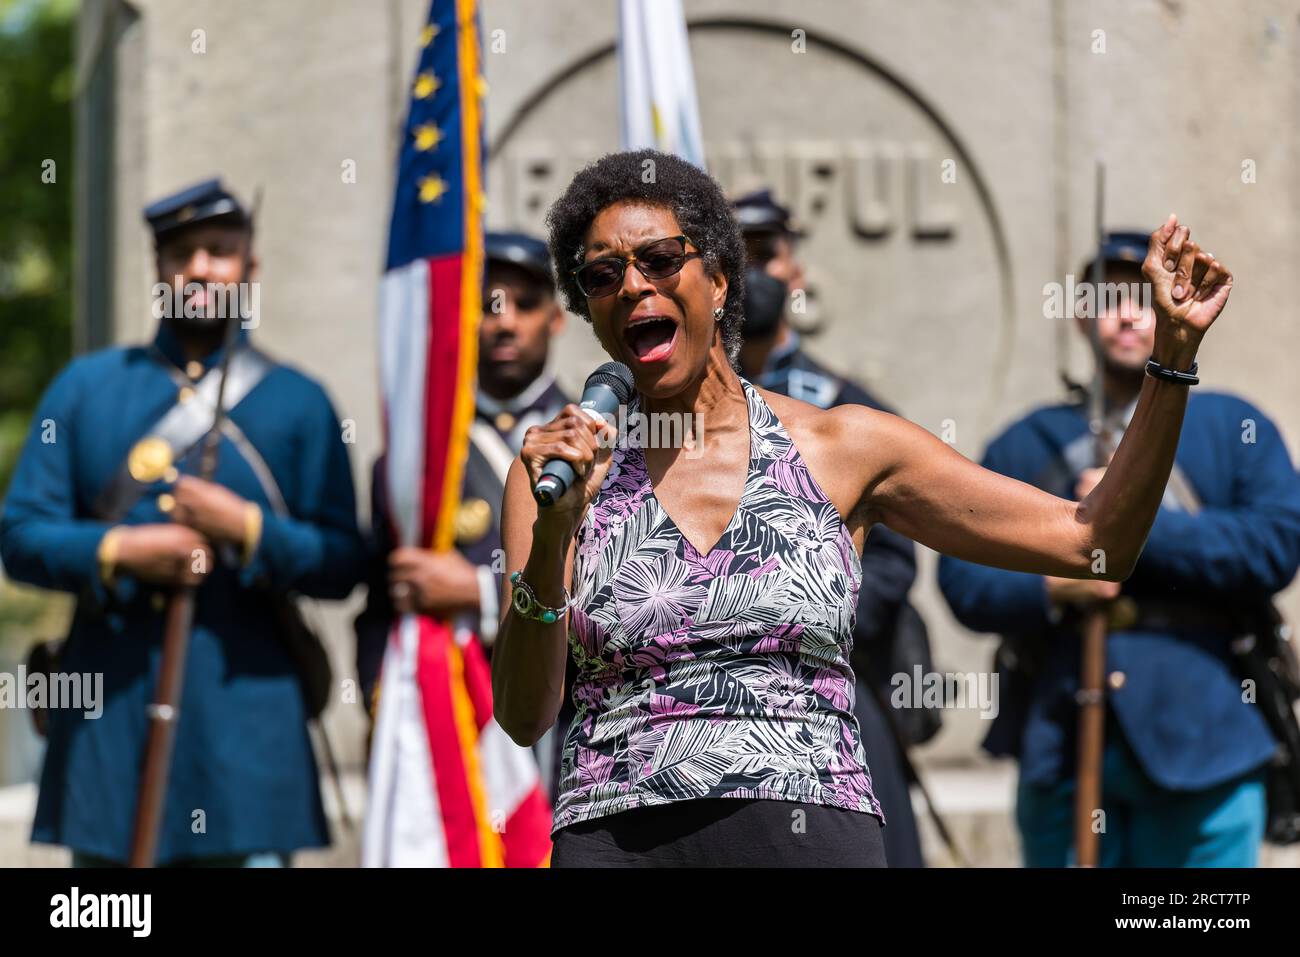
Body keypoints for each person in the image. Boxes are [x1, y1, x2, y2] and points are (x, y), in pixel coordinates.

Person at [491, 148, 1233, 868]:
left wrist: (1171, 361)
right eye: (601, 274)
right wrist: (553, 540)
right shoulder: (555, 474)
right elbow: (525, 714)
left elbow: (1094, 539)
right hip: (614, 841)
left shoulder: (839, 446)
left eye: (659, 259)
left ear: (719, 280)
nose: (631, 285)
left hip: (807, 838)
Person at [0, 178, 365, 866]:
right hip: (112, 732)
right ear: (158, 269)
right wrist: (122, 547)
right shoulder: (85, 388)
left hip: (249, 744)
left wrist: (249, 529)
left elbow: (345, 562)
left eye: (219, 251)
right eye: (182, 252)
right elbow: (20, 536)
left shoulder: (300, 401)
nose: (200, 268)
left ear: (249, 269)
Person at [938, 231, 1300, 867]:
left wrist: (1121, 525)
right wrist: (1055, 584)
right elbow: (964, 579)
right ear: (1081, 315)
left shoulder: (1231, 427)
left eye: (1144, 296)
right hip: (1065, 737)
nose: (1130, 313)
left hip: (1202, 733)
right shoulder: (1028, 444)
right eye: (1109, 297)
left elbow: (1276, 545)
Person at [732, 188, 927, 867]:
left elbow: (895, 562)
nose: (754, 271)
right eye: (738, 254)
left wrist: (800, 627)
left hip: (833, 686)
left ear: (796, 270)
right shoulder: (672, 419)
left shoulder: (848, 408)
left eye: (768, 253)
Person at [354, 231, 574, 800]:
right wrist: (384, 706)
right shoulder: (414, 461)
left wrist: (478, 593)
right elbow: (381, 609)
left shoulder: (603, 446)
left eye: (525, 306)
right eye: (488, 305)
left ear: (556, 320)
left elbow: (620, 591)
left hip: (569, 739)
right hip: (450, 738)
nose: (504, 323)